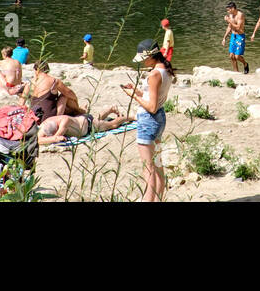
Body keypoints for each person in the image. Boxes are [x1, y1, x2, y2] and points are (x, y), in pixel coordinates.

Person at [124, 39, 175, 201]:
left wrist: (133, 97)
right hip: (160, 118)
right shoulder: (165, 70)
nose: (143, 62)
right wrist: (137, 92)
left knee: (148, 168)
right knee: (158, 165)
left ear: (151, 56)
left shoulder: (153, 75)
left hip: (148, 120)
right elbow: (155, 98)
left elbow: (151, 107)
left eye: (144, 58)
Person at [37, 106, 133, 145]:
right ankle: (110, 109)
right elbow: (40, 139)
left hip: (89, 125)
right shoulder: (46, 123)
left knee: (113, 124)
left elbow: (57, 137)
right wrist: (51, 138)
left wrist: (54, 138)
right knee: (97, 119)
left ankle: (131, 117)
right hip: (83, 119)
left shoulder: (64, 121)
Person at [222, 2, 249, 74]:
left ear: (233, 8)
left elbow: (238, 27)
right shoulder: (231, 15)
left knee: (237, 56)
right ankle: (236, 72)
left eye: (229, 10)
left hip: (240, 36)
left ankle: (245, 64)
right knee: (231, 56)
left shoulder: (240, 15)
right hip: (233, 36)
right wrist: (224, 38)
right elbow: (230, 27)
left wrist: (229, 21)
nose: (228, 12)